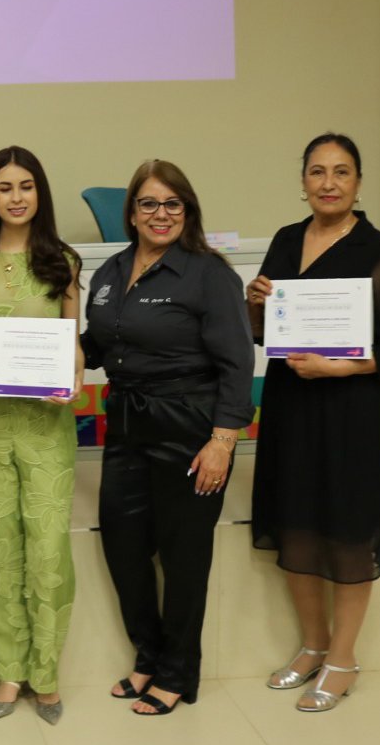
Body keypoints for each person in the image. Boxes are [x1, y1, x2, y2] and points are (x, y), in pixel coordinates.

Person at [248, 133, 380, 712]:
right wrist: (256, 303)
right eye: (317, 172)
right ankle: (312, 645)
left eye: (341, 172)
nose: (328, 183)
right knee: (296, 518)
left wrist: (340, 366)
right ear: (302, 182)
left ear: (358, 183)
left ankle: (343, 657)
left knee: (347, 528)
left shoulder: (379, 250)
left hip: (352, 411)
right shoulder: (285, 240)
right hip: (292, 406)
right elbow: (262, 332)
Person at [82, 159, 254, 716]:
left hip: (190, 428)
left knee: (183, 557)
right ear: (131, 213)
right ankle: (148, 654)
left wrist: (223, 442)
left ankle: (177, 671)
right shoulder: (109, 273)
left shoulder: (209, 273)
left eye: (172, 204)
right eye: (149, 204)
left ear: (188, 211)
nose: (161, 215)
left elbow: (236, 361)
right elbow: (99, 345)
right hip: (127, 426)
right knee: (124, 547)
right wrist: (36, 358)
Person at [0, 147, 84, 725]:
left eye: (26, 186)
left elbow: (74, 341)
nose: (17, 197)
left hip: (45, 425)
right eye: (5, 188)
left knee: (48, 552)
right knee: (0, 552)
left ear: (40, 193)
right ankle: (8, 674)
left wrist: (75, 378)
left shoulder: (63, 261)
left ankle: (46, 675)